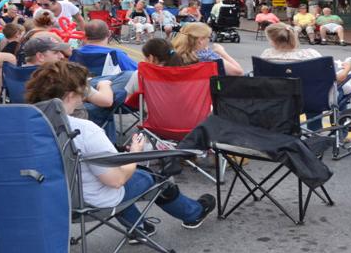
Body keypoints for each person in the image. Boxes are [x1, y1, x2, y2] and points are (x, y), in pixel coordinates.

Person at [22, 58, 213, 236]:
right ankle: (193, 212)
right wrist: (134, 153)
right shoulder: (84, 130)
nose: (84, 97)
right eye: (83, 91)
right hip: (85, 201)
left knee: (107, 173)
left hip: (45, 199)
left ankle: (139, 226)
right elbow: (116, 180)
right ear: (71, 95)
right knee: (150, 177)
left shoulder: (22, 125)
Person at [169, 21, 245, 75]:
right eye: (209, 37)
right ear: (200, 40)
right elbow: (238, 72)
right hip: (204, 96)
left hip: (175, 95)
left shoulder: (170, 54)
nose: (209, 40)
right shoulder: (208, 57)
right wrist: (222, 52)